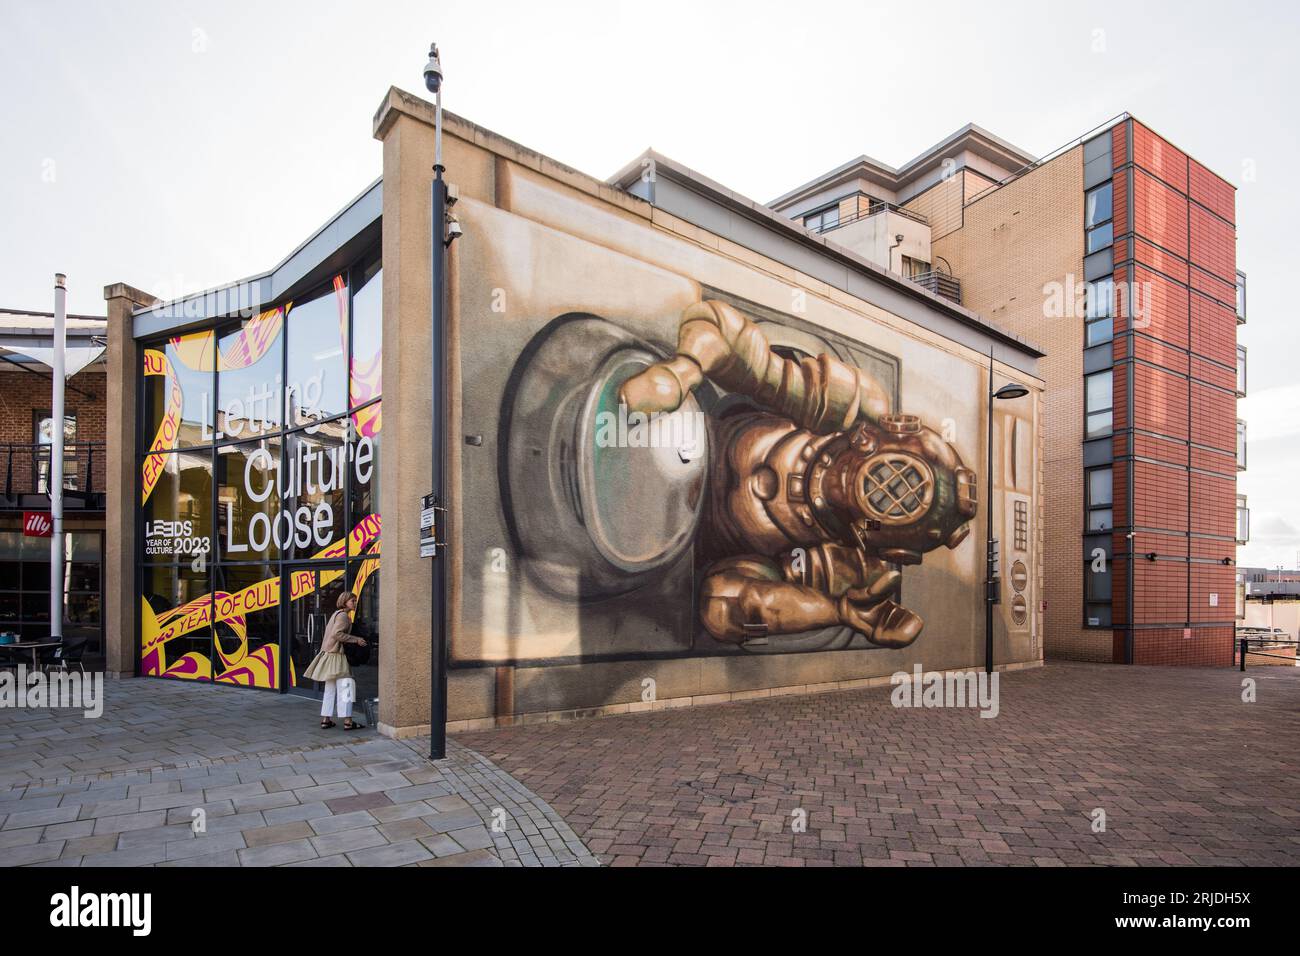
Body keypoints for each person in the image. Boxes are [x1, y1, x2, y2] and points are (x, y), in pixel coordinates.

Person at [302, 591, 368, 730]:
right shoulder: (344, 616)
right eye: (352, 601)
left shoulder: (336, 614)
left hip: (329, 655)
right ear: (345, 602)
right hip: (337, 656)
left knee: (330, 688)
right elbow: (337, 634)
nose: (355, 603)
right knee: (347, 686)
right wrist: (356, 639)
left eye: (355, 600)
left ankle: (326, 719)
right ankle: (348, 721)